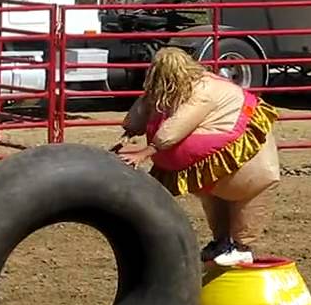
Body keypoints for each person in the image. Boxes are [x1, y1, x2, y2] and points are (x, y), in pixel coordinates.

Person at [115, 47, 281, 266]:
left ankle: (243, 247)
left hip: (247, 155)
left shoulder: (203, 89)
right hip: (214, 165)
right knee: (214, 198)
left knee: (249, 194)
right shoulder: (167, 90)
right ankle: (222, 241)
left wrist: (145, 153)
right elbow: (144, 107)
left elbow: (178, 125)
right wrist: (129, 131)